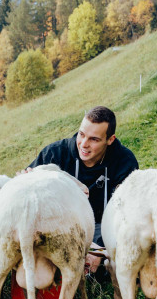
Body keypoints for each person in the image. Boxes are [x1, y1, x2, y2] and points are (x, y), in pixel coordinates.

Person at [24, 106, 137, 277]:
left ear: (110, 139)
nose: (84, 144)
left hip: (102, 228)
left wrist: (98, 247)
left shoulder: (124, 162)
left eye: (94, 139)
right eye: (81, 134)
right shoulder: (54, 154)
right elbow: (25, 187)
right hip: (59, 225)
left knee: (125, 250)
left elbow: (126, 213)